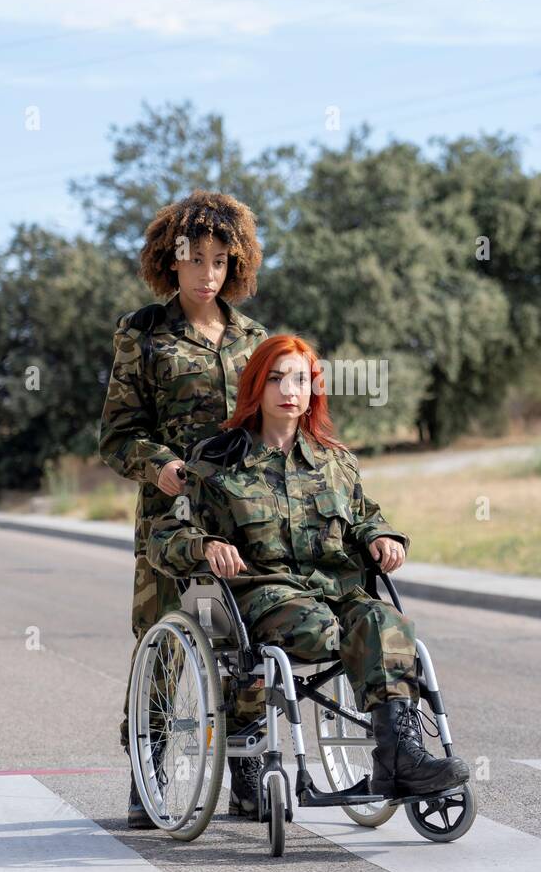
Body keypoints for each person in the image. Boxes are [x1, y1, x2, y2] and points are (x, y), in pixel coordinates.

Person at [146, 334, 470, 800]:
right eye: (276, 378)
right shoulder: (217, 463)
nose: (288, 390)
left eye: (300, 378)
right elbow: (166, 537)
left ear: (313, 387)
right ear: (256, 386)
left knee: (388, 624)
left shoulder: (335, 462)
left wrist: (382, 536)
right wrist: (205, 546)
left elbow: (364, 517)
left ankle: (399, 756)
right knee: (321, 631)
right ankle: (274, 743)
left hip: (339, 591)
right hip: (266, 594)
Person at [98, 188, 269, 826]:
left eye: (220, 261)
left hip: (244, 515)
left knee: (250, 633)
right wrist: (159, 466)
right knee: (164, 639)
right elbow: (115, 434)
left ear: (236, 263)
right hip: (169, 519)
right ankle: (151, 763)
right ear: (171, 261)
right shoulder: (142, 333)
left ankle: (250, 763)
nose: (207, 274)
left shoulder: (254, 339)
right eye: (195, 259)